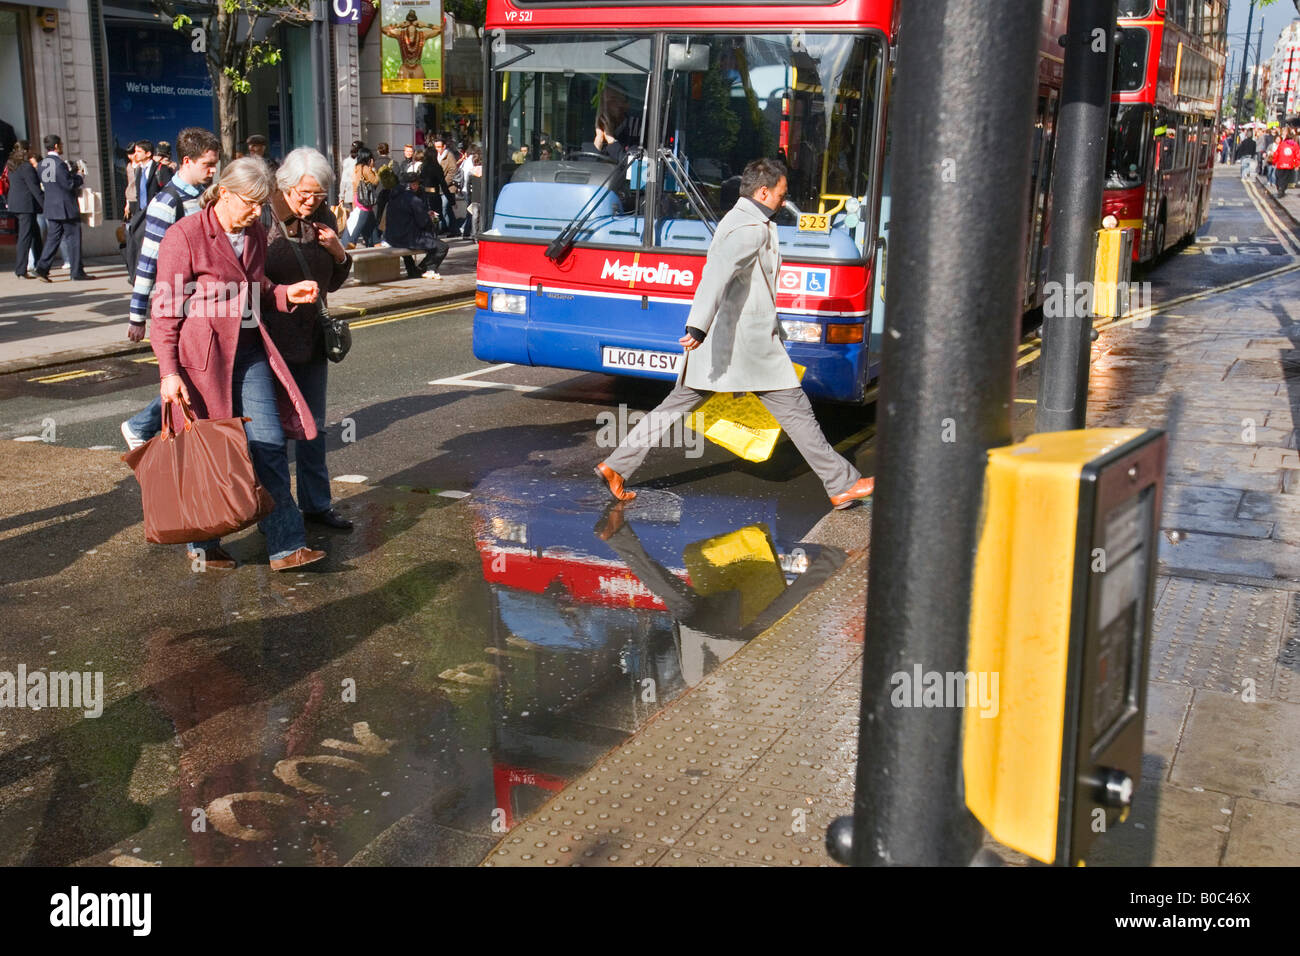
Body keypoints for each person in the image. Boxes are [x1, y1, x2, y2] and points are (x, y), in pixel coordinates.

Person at [594, 158, 875, 511]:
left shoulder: (742, 219)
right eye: (781, 194)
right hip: (746, 346)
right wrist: (696, 325)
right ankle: (842, 485)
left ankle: (616, 466)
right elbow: (716, 274)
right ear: (763, 191)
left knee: (672, 407)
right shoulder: (750, 229)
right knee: (798, 412)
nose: (784, 200)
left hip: (723, 344)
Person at [150, 157, 324, 572]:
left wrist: (284, 294)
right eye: (248, 203)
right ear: (223, 193)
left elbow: (256, 286)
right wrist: (169, 373)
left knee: (268, 446)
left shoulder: (256, 233)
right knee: (211, 452)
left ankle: (286, 546)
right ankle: (204, 545)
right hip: (203, 358)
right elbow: (165, 310)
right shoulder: (185, 235)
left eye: (261, 205)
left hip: (249, 351)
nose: (255, 213)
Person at [264, 147, 355, 531]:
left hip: (311, 338)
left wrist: (339, 253)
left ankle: (317, 505)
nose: (310, 202)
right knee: (269, 435)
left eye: (318, 195)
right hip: (268, 340)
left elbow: (331, 283)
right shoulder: (264, 218)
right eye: (304, 194)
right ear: (285, 186)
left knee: (312, 426)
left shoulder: (323, 217)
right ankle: (275, 511)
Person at [120, 127, 222, 451]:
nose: (212, 171)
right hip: (180, 307)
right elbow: (147, 261)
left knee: (194, 372)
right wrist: (137, 316)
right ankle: (142, 425)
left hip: (201, 306)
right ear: (186, 161)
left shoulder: (202, 198)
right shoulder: (168, 202)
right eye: (207, 164)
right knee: (185, 372)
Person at [34, 134, 89, 282]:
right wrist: (79, 176)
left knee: (53, 238)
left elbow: (54, 182)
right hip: (65, 206)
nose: (62, 147)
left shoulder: (42, 164)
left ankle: (42, 268)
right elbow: (68, 184)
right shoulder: (59, 164)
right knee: (74, 238)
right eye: (61, 145)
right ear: (57, 146)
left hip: (51, 205)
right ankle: (76, 272)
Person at [384, 170, 448, 279]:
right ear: (412, 185)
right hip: (407, 238)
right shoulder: (413, 199)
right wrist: (429, 217)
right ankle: (425, 269)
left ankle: (412, 270)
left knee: (411, 242)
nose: (418, 186)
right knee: (442, 247)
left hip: (391, 237)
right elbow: (423, 222)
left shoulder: (393, 197)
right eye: (417, 184)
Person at [6, 142, 43, 279]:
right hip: (26, 206)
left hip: (16, 204)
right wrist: (45, 205)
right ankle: (21, 269)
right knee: (25, 237)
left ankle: (40, 265)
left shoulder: (11, 165)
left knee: (35, 235)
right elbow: (34, 188)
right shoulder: (26, 167)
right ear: (27, 150)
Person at [382, 11, 439, 80]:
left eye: (413, 22)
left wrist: (425, 24)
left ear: (416, 24)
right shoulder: (400, 34)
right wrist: (398, 25)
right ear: (406, 24)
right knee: (402, 89)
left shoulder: (423, 34)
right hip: (405, 68)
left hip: (417, 68)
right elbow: (383, 29)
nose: (411, 25)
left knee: (419, 89)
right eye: (409, 23)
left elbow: (440, 29)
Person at [344, 146, 380, 247]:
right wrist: (373, 169)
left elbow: (354, 184)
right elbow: (375, 181)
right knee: (361, 220)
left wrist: (354, 200)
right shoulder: (366, 168)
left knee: (371, 221)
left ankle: (377, 242)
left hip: (358, 196)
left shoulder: (356, 167)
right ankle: (352, 241)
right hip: (365, 198)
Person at [433, 133, 460, 235]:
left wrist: (444, 182)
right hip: (438, 187)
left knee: (444, 208)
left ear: (444, 146)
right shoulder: (435, 156)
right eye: (436, 147)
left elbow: (453, 170)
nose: (437, 149)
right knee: (447, 210)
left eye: (439, 147)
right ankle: (453, 230)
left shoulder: (449, 155)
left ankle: (445, 229)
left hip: (448, 188)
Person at [339, 140, 363, 212]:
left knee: (351, 216)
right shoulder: (362, 162)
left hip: (349, 193)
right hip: (360, 194)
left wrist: (341, 196)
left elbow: (344, 180)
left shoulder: (346, 161)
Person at [1276, 129, 1299, 199]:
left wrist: (1274, 162)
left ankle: (1280, 189)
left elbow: (1277, 153)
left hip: (1280, 164)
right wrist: (1297, 164)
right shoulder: (1295, 145)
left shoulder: (1282, 144)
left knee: (1279, 177)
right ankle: (1282, 190)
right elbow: (1298, 155)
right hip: (1289, 165)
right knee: (1286, 178)